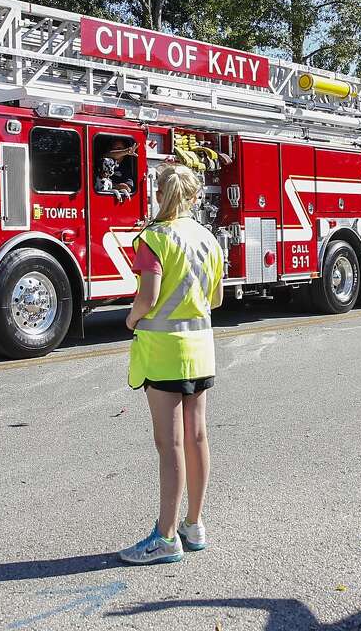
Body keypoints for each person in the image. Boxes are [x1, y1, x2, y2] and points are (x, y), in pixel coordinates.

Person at [119, 163, 224, 566]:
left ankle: (165, 537)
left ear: (159, 196)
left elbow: (148, 297)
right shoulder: (208, 240)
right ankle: (193, 526)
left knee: (170, 445)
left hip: (164, 352)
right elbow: (215, 300)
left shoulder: (154, 238)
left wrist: (131, 319)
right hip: (201, 347)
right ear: (194, 197)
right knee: (197, 438)